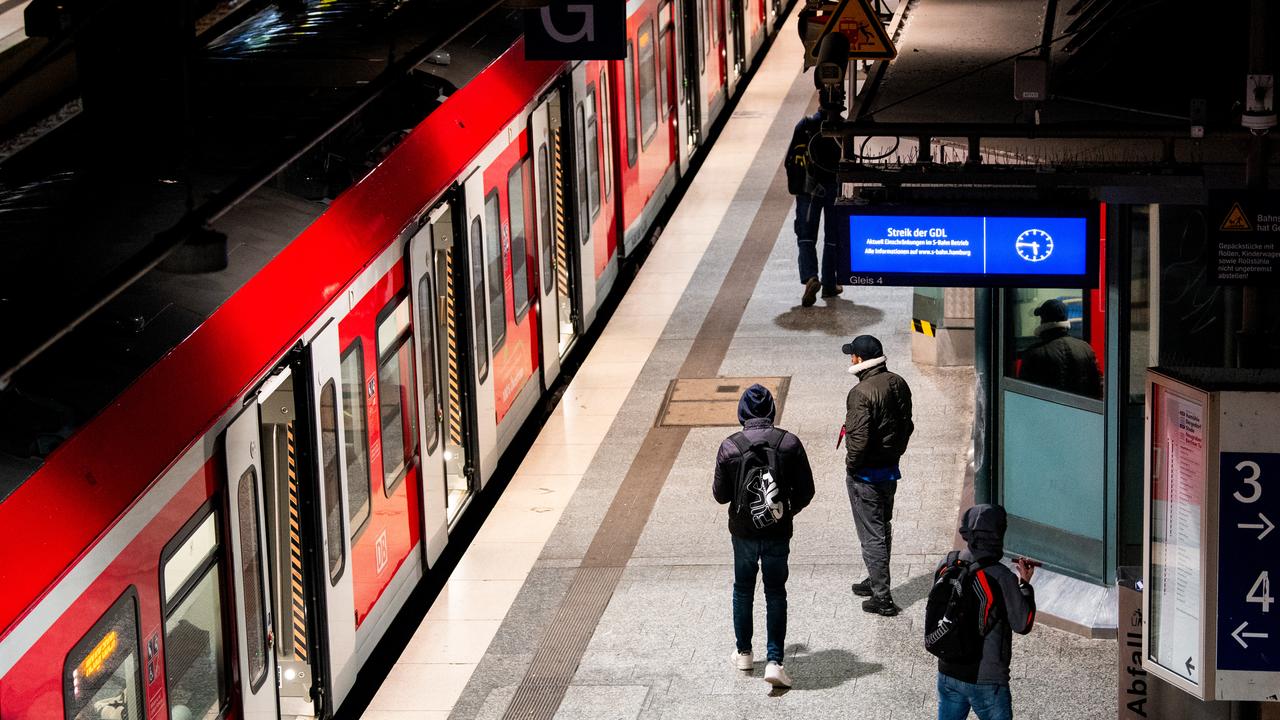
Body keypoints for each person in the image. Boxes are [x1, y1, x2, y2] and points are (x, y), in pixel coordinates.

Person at [713, 384, 815, 688]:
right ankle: (774, 661)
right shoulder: (789, 443)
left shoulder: (730, 447)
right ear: (771, 409)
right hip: (777, 532)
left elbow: (719, 496)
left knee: (743, 590)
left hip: (743, 532)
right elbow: (807, 491)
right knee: (775, 592)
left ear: (743, 411)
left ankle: (744, 653)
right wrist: (784, 511)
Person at [936, 504, 1036, 720]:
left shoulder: (948, 563)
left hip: (948, 670)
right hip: (986, 678)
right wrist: (1025, 586)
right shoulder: (1001, 577)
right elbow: (1023, 623)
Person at [842, 334, 913, 616]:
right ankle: (875, 578)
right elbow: (907, 425)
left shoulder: (860, 393)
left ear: (860, 359)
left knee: (871, 534)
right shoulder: (898, 382)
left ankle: (882, 596)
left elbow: (858, 440)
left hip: (866, 474)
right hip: (889, 469)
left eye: (852, 355)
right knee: (883, 526)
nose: (850, 359)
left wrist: (851, 467)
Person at [785, 86, 845, 307]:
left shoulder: (806, 125)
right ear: (841, 105)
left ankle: (811, 277)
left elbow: (790, 159)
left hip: (809, 191)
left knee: (806, 237)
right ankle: (830, 284)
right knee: (832, 238)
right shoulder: (844, 127)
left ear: (819, 101)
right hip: (835, 190)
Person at [1018, 298, 1102, 398]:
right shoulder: (1086, 348)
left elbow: (1024, 394)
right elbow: (1097, 386)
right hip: (1080, 411)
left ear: (1043, 322)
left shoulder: (1033, 354)